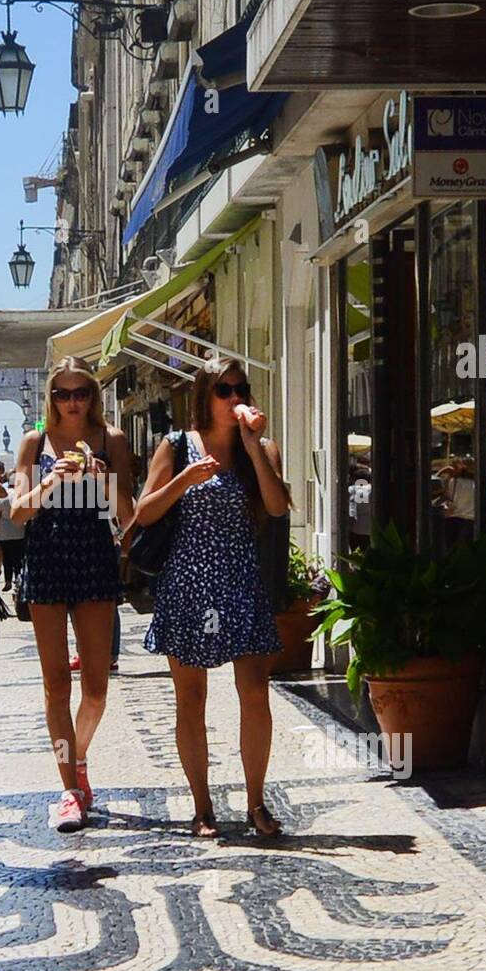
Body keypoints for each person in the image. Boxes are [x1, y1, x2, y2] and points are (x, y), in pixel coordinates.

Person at [135, 357, 290, 838]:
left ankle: (257, 803)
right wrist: (184, 481)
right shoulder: (177, 446)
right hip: (189, 582)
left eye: (240, 389)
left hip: (243, 581)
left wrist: (251, 446)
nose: (234, 398)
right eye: (223, 390)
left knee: (255, 693)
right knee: (192, 699)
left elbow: (277, 506)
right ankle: (202, 807)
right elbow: (142, 514)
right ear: (205, 396)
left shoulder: (262, 448)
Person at [11, 356, 134, 832]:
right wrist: (50, 480)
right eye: (61, 394)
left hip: (93, 556)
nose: (71, 402)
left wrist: (103, 478)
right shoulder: (34, 442)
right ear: (50, 398)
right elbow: (18, 513)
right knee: (56, 685)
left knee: (97, 690)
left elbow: (128, 512)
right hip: (46, 558)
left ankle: (77, 756)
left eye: (80, 392)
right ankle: (67, 788)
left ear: (93, 395)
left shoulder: (112, 439)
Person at [0, 460, 26, 592]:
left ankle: (7, 581)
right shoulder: (19, 495)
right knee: (18, 557)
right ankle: (18, 578)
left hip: (4, 531)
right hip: (18, 529)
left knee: (7, 557)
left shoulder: (3, 494)